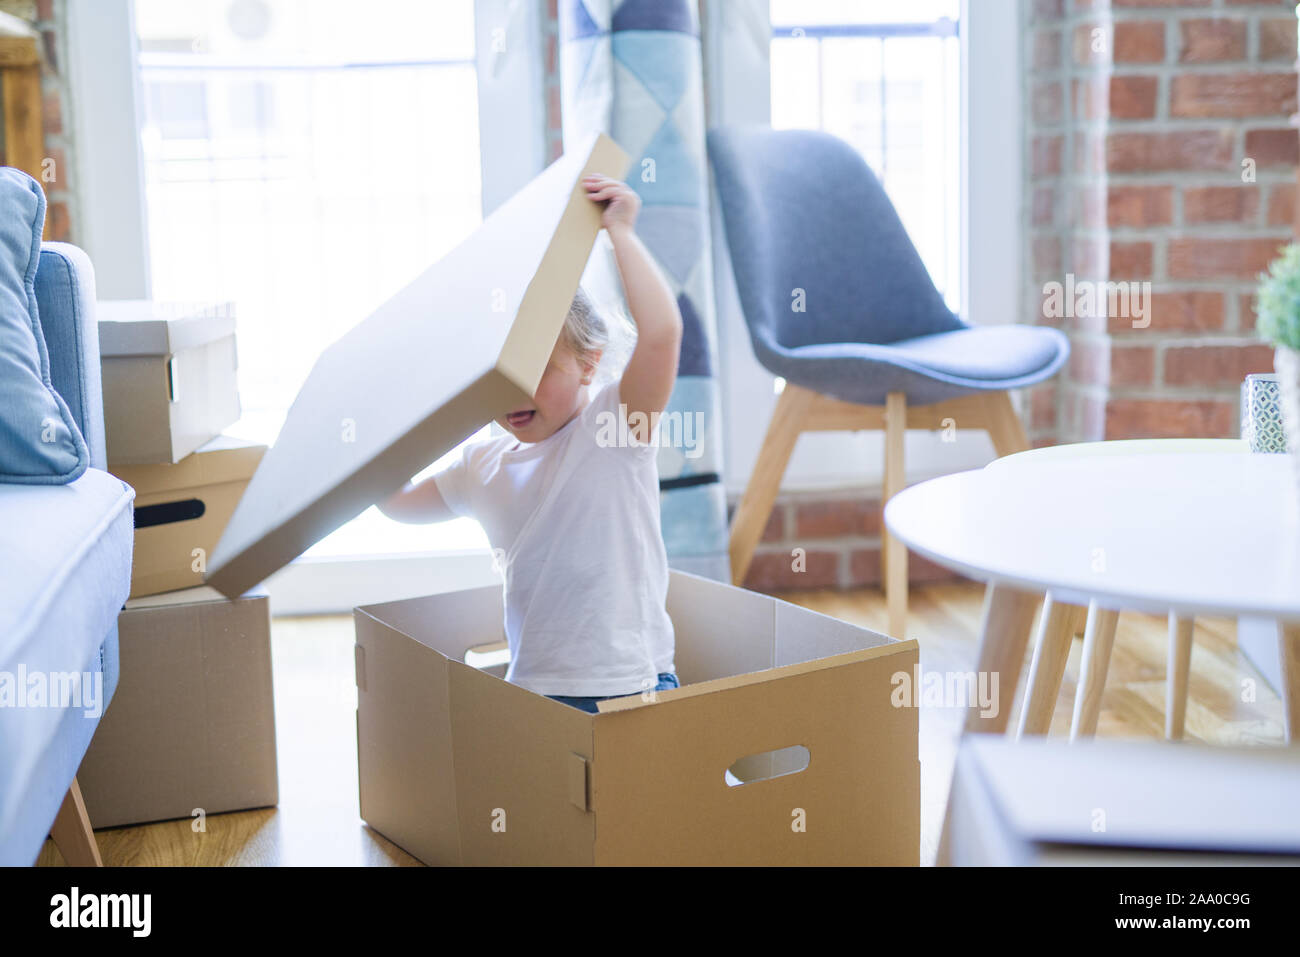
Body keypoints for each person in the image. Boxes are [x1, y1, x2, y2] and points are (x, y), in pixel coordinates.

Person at [379, 173, 683, 713]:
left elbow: (661, 334)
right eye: (497, 375)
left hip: (627, 685)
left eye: (538, 369)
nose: (515, 391)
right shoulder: (480, 464)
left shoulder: (614, 429)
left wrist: (621, 234)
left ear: (589, 363)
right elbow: (396, 502)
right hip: (535, 688)